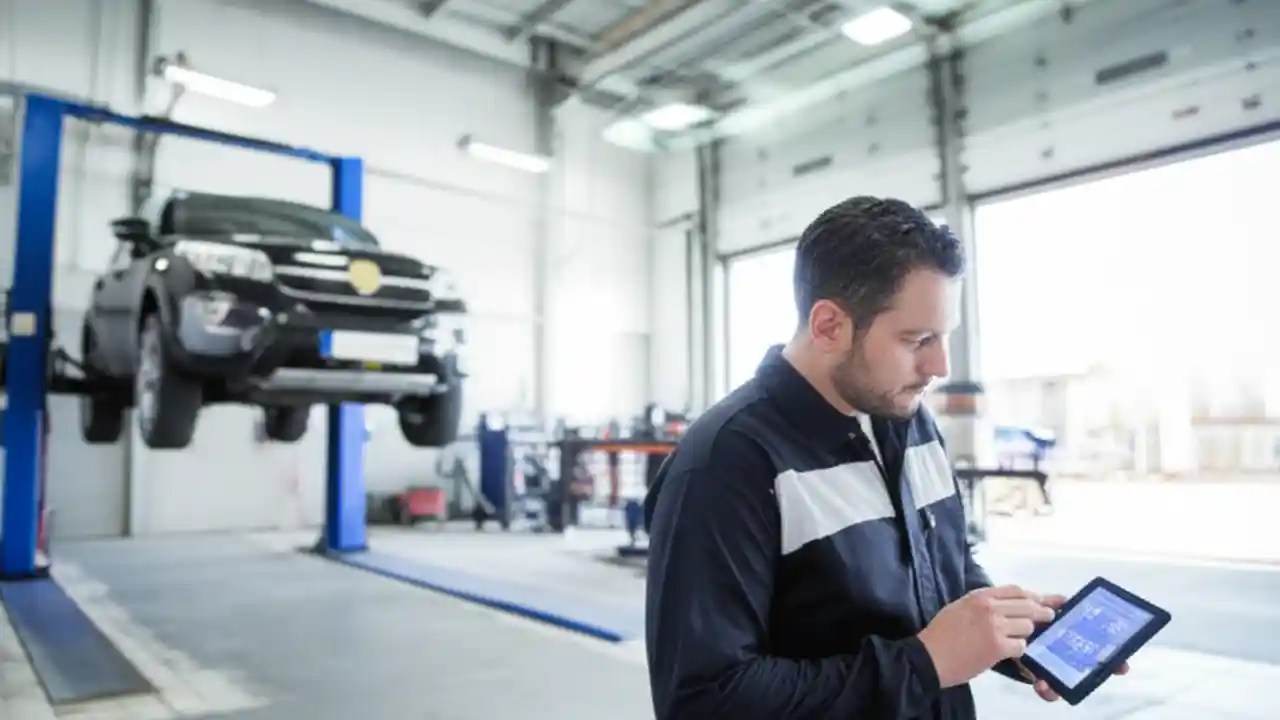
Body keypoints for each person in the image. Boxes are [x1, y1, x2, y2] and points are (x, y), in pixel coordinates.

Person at [643, 197, 1126, 719]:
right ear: (829, 326)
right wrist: (925, 663)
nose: (940, 365)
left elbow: (945, 569)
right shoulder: (727, 464)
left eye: (944, 337)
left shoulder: (910, 420)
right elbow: (704, 700)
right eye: (917, 339)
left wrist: (1008, 634)